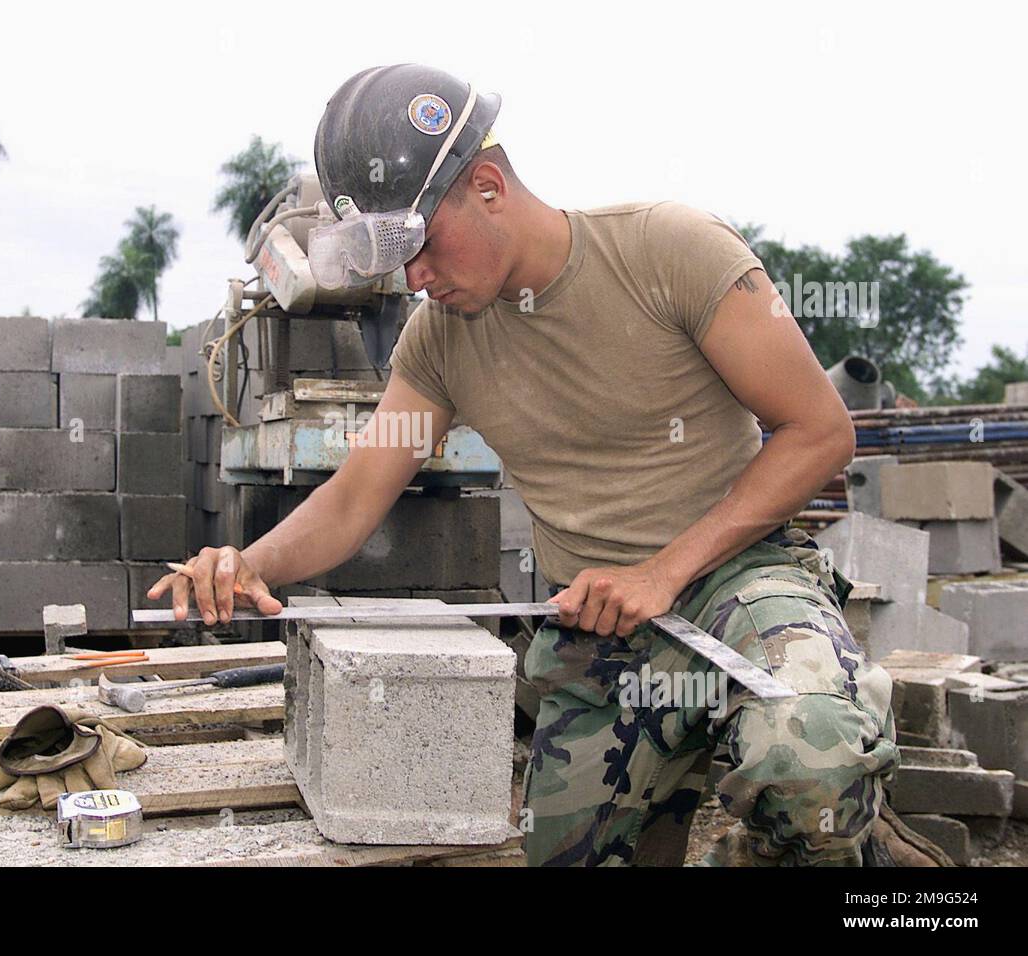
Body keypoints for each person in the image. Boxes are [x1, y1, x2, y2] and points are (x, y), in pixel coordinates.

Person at [150, 64, 929, 866]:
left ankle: (833, 833)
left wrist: (662, 572)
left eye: (418, 246)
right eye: (392, 259)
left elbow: (819, 431)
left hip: (739, 577)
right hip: (601, 626)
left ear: (487, 186)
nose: (413, 278)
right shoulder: (439, 342)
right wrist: (248, 563)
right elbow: (353, 500)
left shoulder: (670, 250)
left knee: (812, 765)